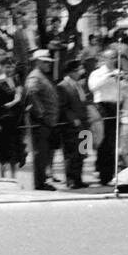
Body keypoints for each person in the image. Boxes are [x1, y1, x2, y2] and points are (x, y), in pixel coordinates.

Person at [24, 50, 59, 191]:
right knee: (40, 154)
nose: (48, 64)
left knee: (45, 153)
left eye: (49, 62)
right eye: (45, 62)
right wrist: (41, 114)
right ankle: (39, 183)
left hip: (48, 122)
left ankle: (42, 180)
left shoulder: (43, 76)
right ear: (37, 62)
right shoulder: (35, 77)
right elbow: (31, 95)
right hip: (40, 123)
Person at [87, 49, 123, 185]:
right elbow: (93, 87)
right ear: (104, 59)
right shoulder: (97, 73)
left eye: (115, 57)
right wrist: (108, 77)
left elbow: (122, 91)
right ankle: (104, 174)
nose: (113, 60)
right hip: (103, 107)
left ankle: (110, 172)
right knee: (103, 141)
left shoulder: (118, 72)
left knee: (113, 142)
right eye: (110, 58)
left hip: (116, 106)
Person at [56, 60, 89, 188]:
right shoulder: (63, 86)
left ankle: (79, 178)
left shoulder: (79, 85)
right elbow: (63, 107)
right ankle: (71, 180)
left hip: (84, 125)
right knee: (72, 154)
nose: (80, 72)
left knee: (82, 153)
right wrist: (73, 119)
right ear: (71, 72)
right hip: (71, 126)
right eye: (78, 70)